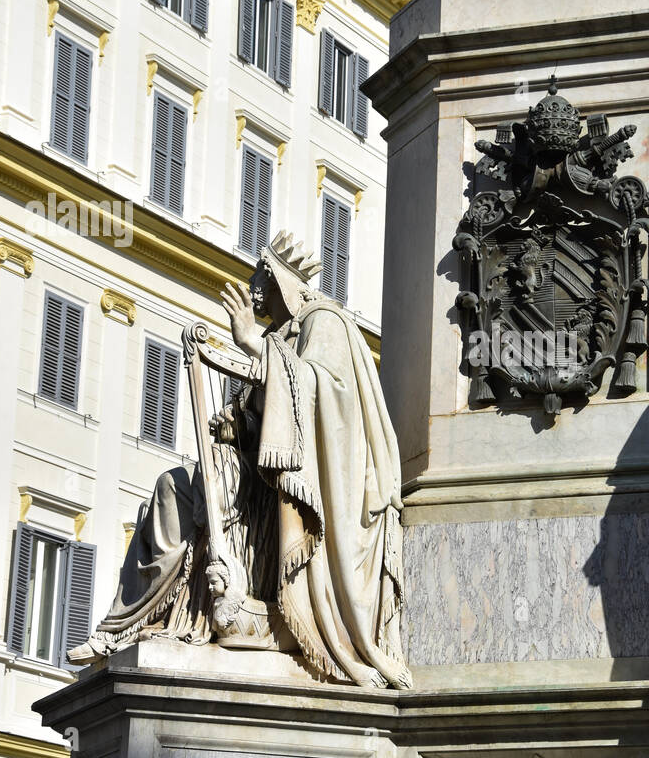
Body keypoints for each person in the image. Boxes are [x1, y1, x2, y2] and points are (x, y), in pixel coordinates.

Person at [69, 232, 412, 690]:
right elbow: (273, 414)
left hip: (298, 486)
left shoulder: (324, 323)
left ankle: (143, 622)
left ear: (278, 283)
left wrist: (253, 343)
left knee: (179, 489)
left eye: (262, 284)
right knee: (172, 486)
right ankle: (127, 625)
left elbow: (329, 399)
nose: (256, 294)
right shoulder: (282, 335)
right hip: (267, 474)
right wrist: (241, 426)